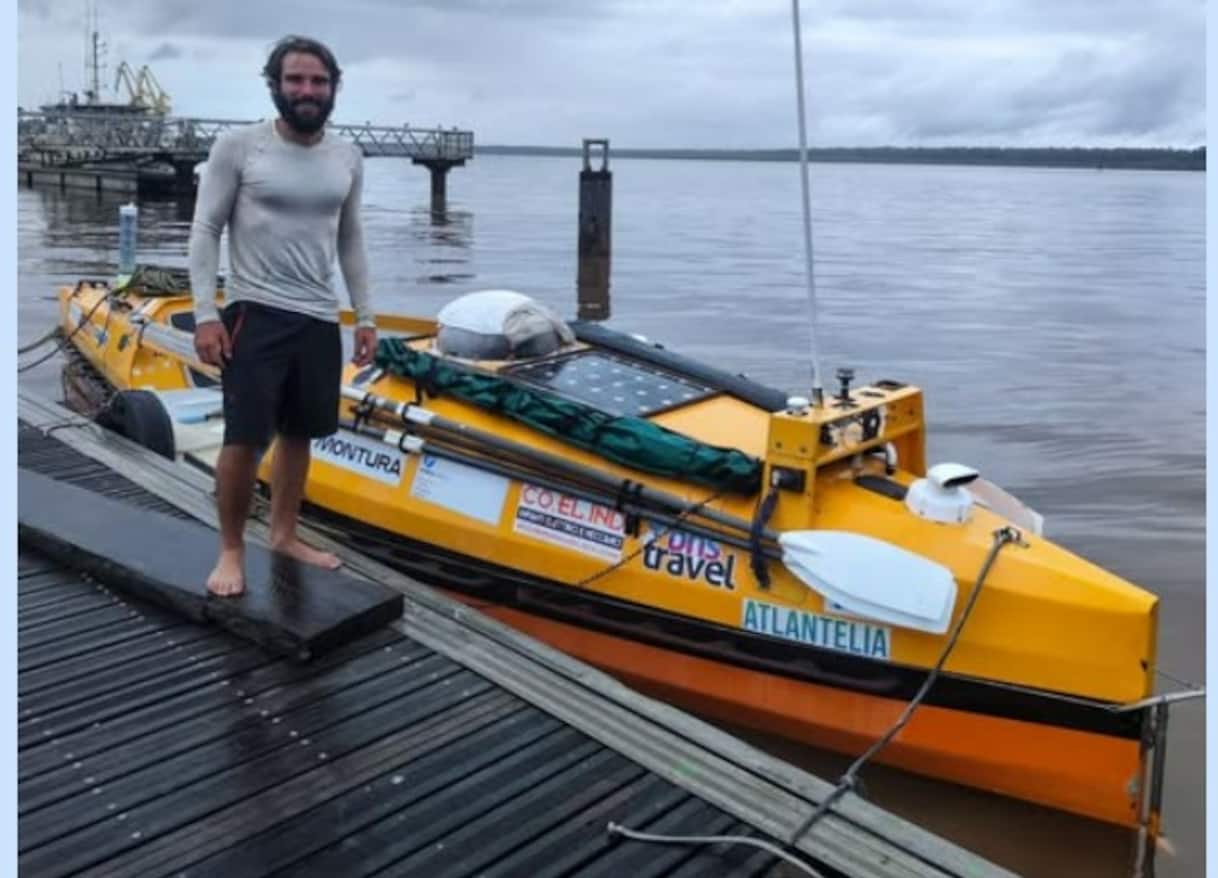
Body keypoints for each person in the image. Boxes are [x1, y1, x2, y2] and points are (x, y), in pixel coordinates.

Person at [188, 35, 376, 597]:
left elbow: (351, 238)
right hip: (256, 311)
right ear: (275, 84)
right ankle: (229, 550)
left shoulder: (347, 156)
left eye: (318, 81)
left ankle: (284, 535)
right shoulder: (239, 147)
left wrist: (364, 316)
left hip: (319, 319)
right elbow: (205, 230)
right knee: (245, 437)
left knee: (301, 434)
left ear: (333, 88)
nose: (306, 90)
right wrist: (204, 314)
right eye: (295, 80)